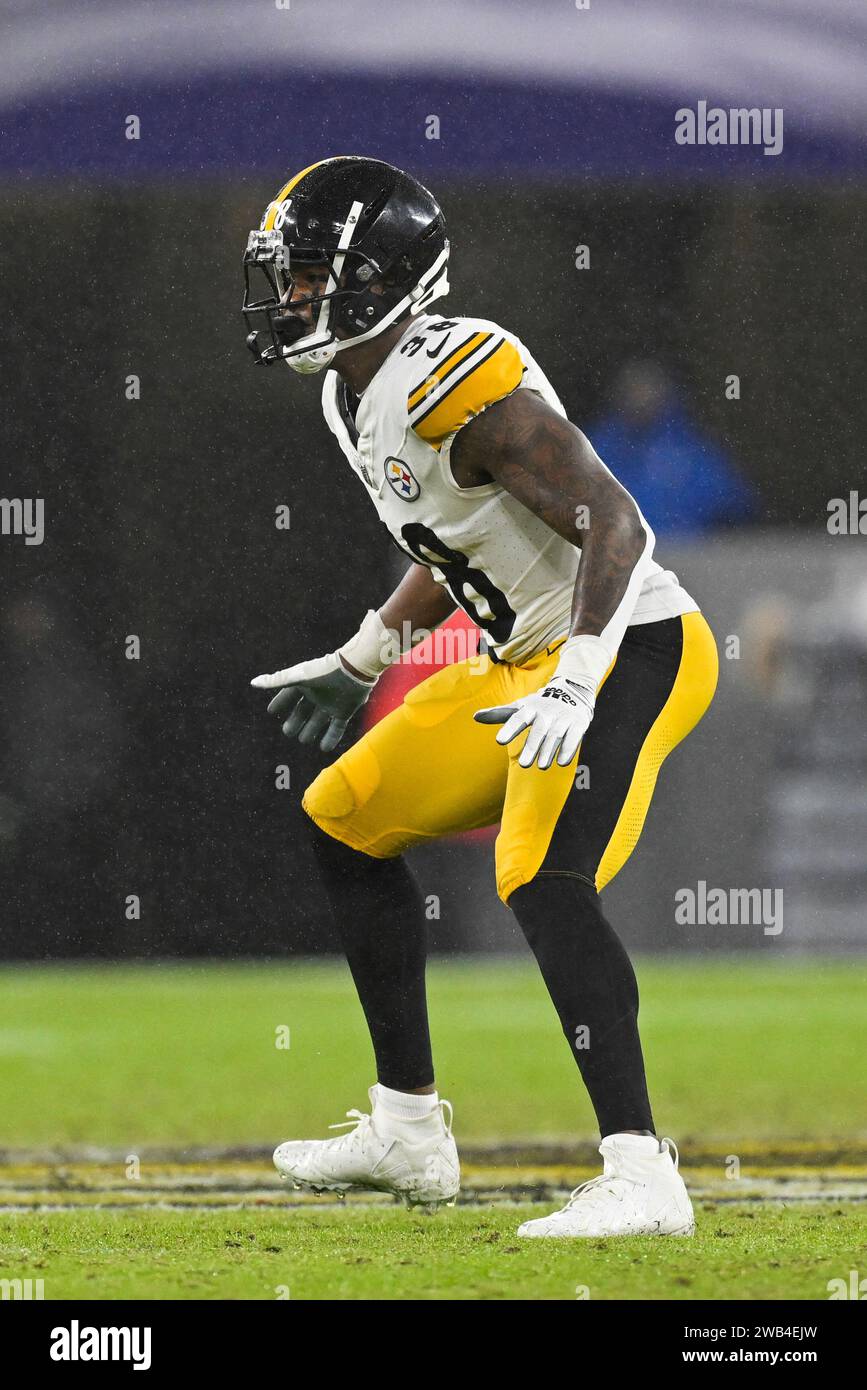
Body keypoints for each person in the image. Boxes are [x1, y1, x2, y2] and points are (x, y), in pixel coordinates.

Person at [246, 157, 718, 1238]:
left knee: (542, 877)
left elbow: (617, 521)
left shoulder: (454, 371)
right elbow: (450, 540)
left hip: (632, 641)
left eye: (312, 276)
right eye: (287, 277)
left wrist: (580, 675)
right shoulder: (348, 390)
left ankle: (644, 1173)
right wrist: (367, 654)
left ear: (382, 280)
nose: (293, 299)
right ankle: (409, 1129)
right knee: (343, 817)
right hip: (521, 656)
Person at [589, 360, 756, 535]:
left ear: (663, 394)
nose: (640, 396)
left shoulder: (688, 448)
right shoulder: (600, 447)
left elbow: (733, 500)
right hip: (622, 552)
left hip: (687, 553)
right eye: (634, 389)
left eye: (647, 388)